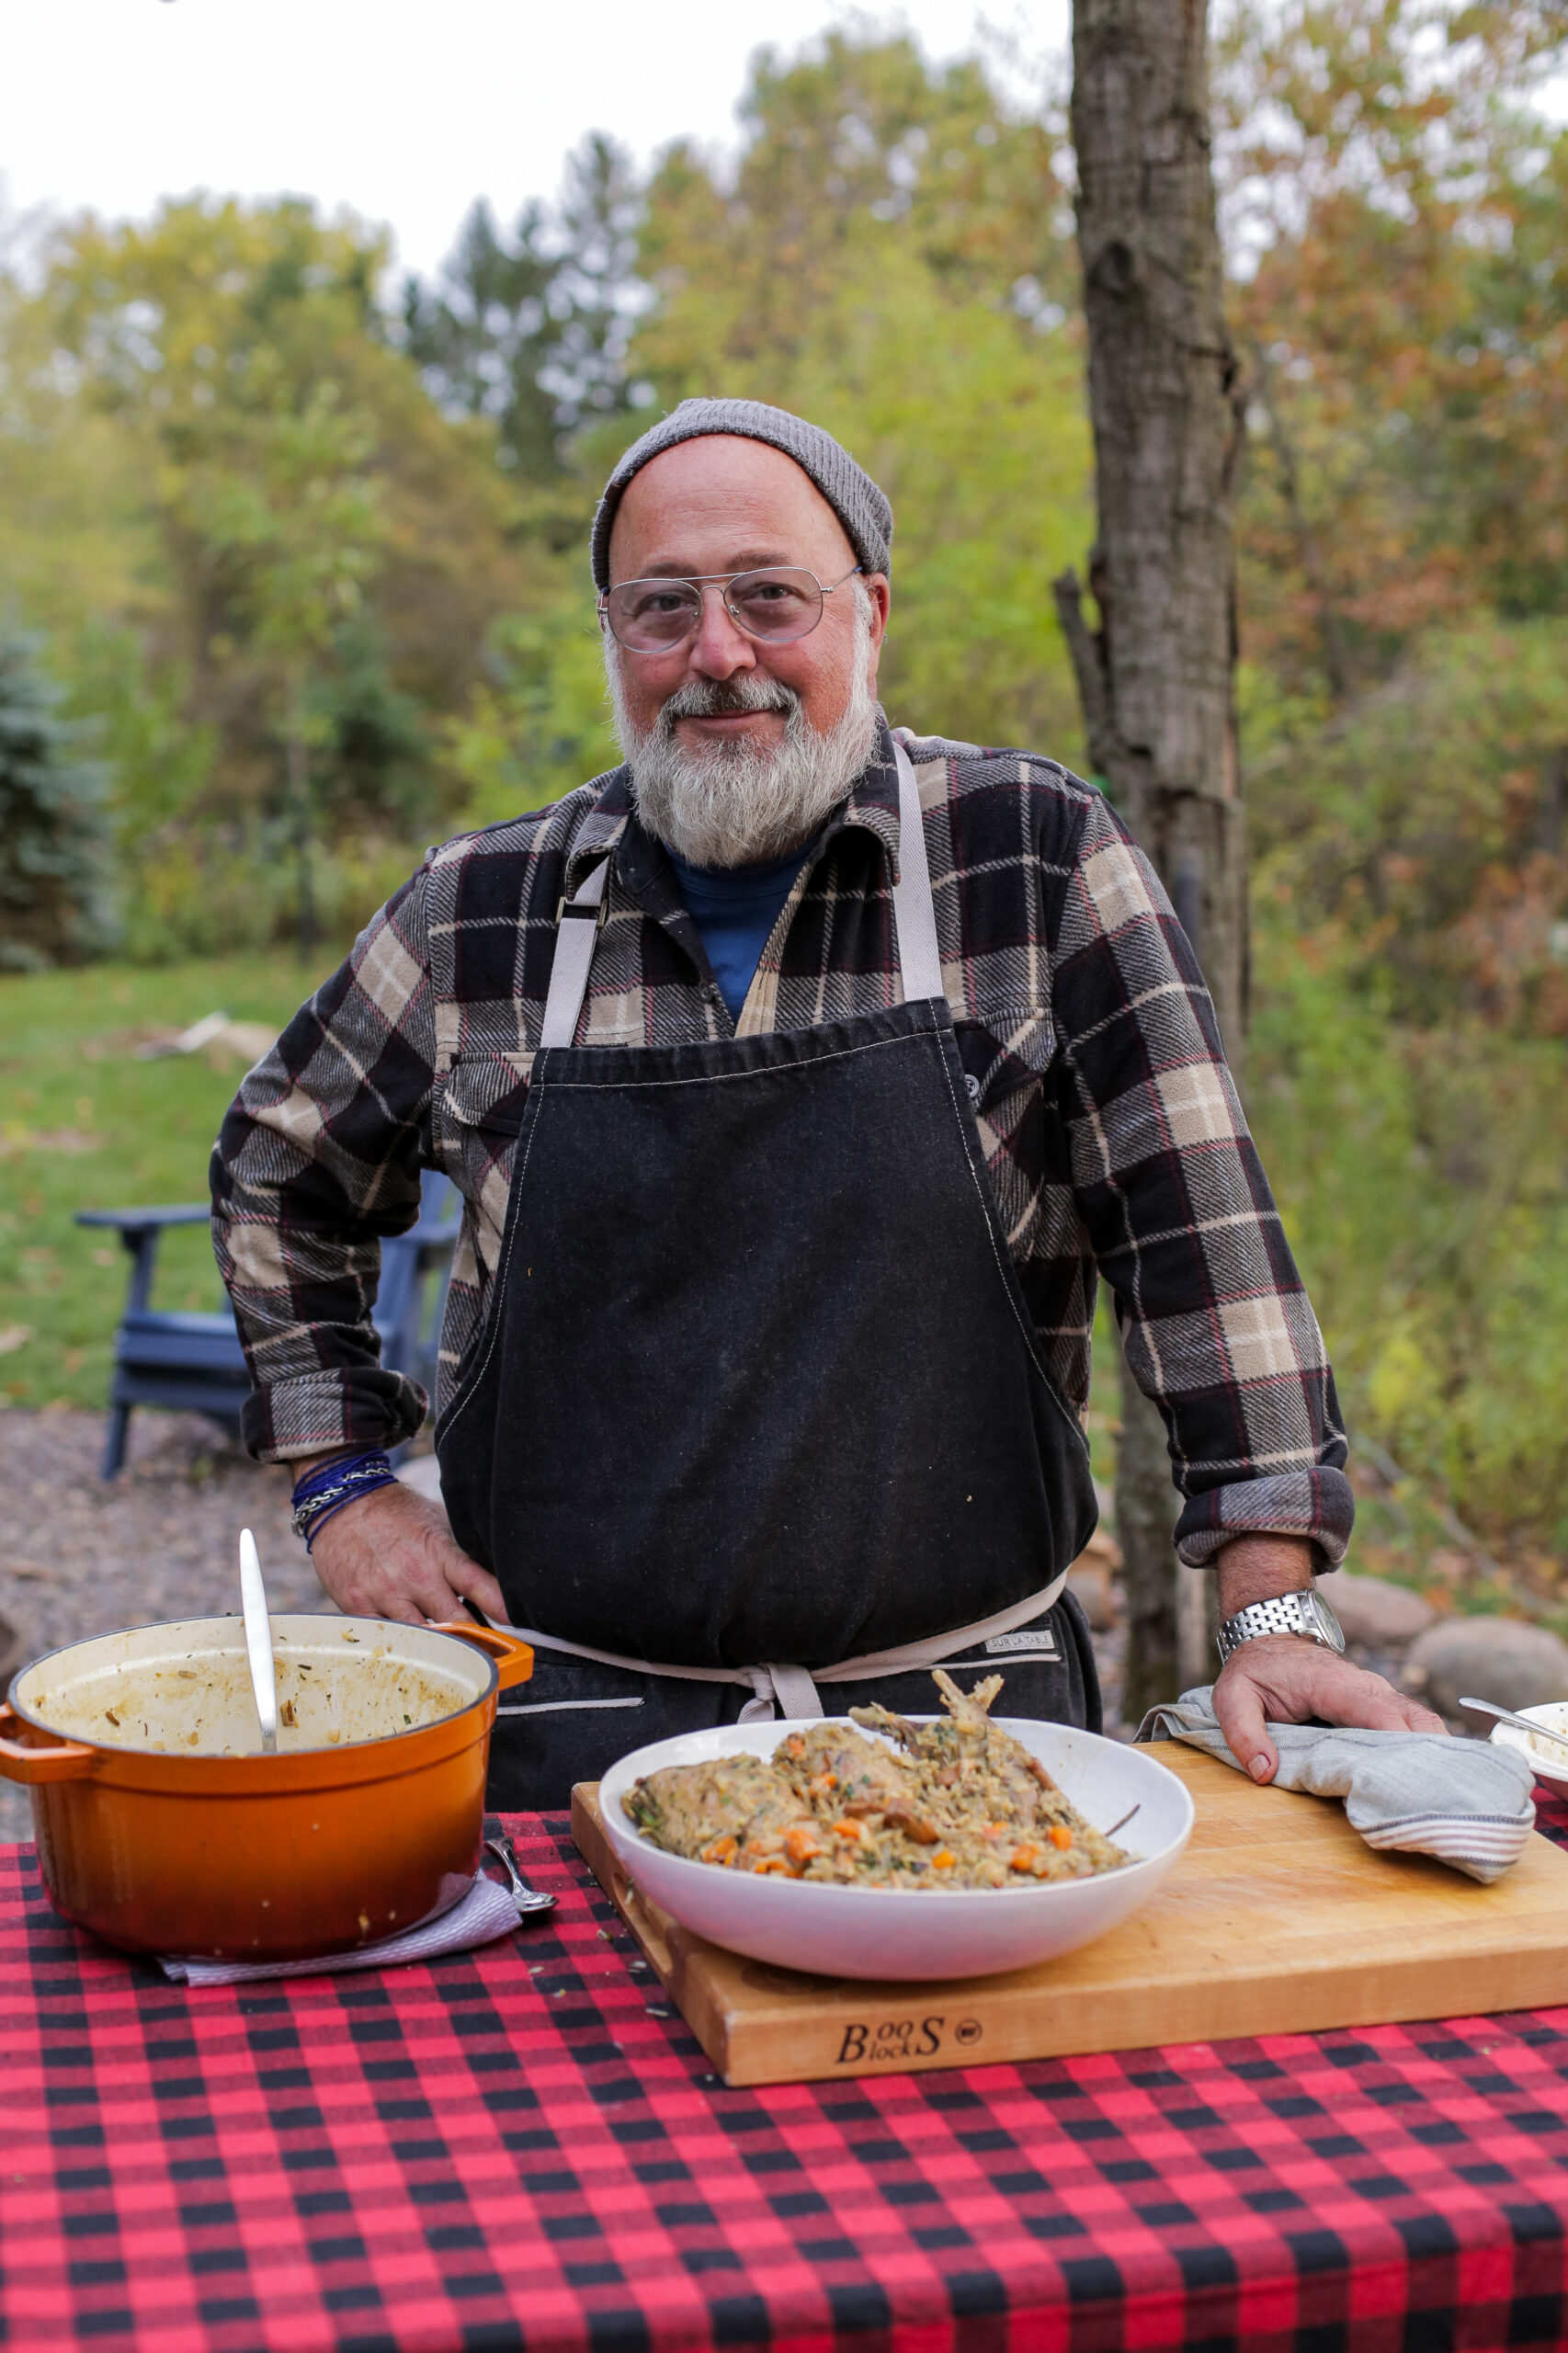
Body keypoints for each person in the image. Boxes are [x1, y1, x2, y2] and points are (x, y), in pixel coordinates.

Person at [212, 398, 1444, 1808]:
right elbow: (274, 1168)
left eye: (767, 597)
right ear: (613, 635)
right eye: (660, 606)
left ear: (867, 612)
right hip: (565, 1730)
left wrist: (1269, 1610)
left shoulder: (1033, 861)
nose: (717, 654)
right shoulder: (480, 909)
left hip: (970, 1728)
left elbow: (1203, 1247)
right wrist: (340, 1487)